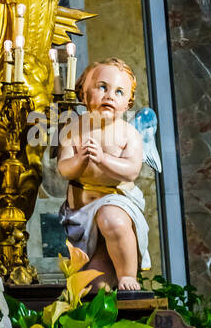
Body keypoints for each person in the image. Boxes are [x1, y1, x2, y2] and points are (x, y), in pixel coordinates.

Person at [57, 58, 149, 291]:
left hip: (115, 202)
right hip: (81, 213)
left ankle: (128, 274)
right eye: (102, 87)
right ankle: (105, 271)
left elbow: (131, 171)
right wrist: (80, 160)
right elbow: (64, 168)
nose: (110, 95)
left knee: (113, 220)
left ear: (128, 103)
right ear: (84, 94)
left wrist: (103, 159)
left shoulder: (129, 134)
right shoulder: (73, 130)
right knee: (95, 287)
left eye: (119, 92)